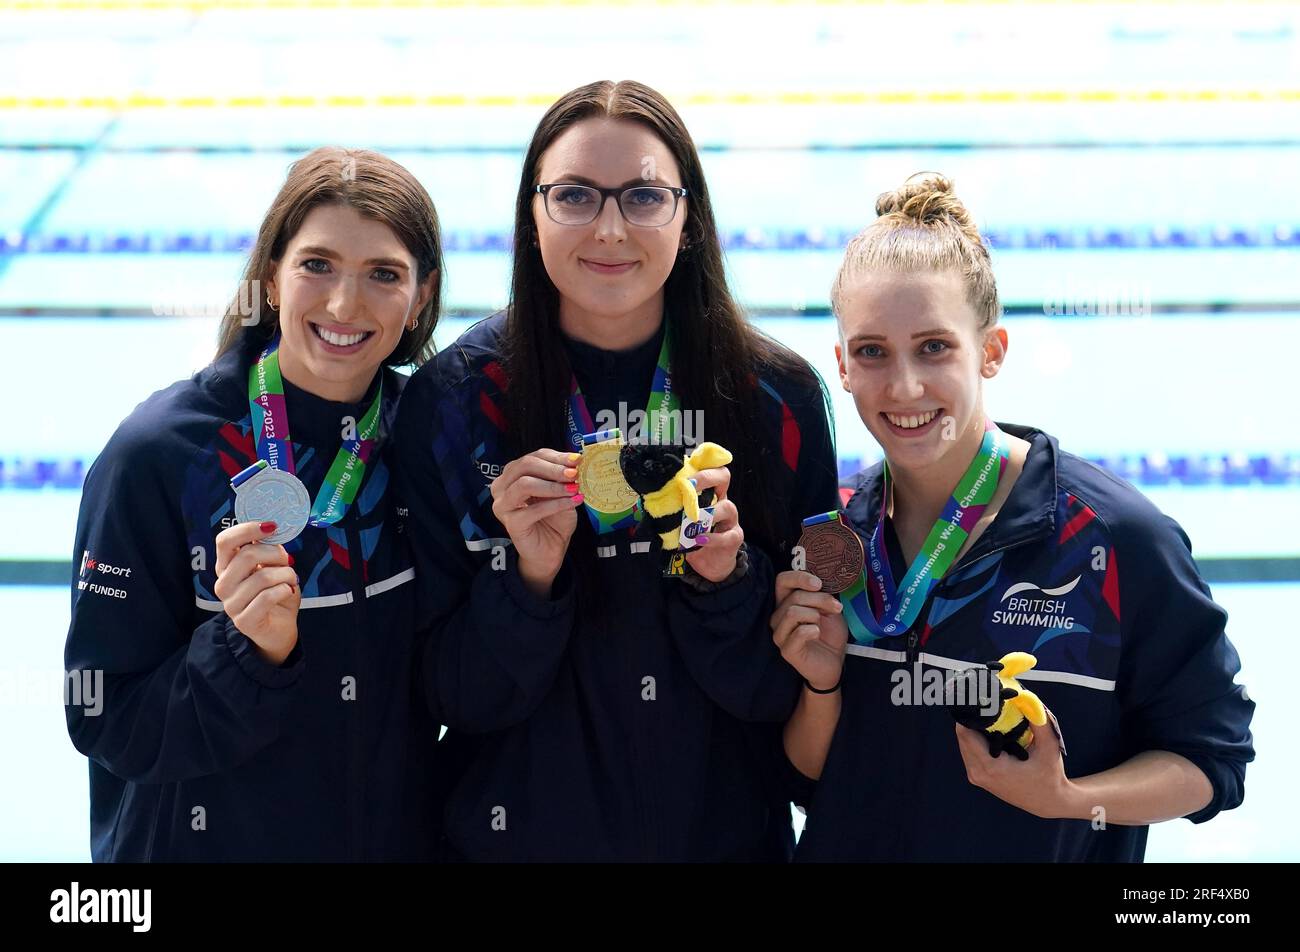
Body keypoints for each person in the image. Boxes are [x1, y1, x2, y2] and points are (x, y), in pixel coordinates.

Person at [392, 79, 840, 861]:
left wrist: (724, 583)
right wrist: (526, 581)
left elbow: (795, 690)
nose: (607, 230)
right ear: (532, 218)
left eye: (641, 196)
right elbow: (445, 694)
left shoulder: (777, 400)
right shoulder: (454, 404)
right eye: (573, 196)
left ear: (688, 218)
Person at [772, 172, 1256, 861]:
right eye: (872, 352)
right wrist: (821, 683)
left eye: (934, 347)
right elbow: (807, 779)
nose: (904, 385)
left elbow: (1214, 760)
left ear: (991, 352)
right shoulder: (831, 539)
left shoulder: (1111, 541)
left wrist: (1068, 799)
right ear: (842, 365)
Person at [64, 146, 445, 861]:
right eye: (317, 265)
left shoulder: (428, 438)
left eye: (384, 274)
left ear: (422, 296)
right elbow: (102, 714)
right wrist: (247, 654)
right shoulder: (159, 455)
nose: (343, 304)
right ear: (272, 277)